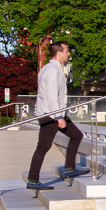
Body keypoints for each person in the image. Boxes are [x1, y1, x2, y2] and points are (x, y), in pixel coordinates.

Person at [27, 36, 84, 190]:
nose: (68, 54)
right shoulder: (52, 70)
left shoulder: (50, 68)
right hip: (49, 115)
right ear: (59, 53)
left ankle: (70, 168)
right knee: (43, 147)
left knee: (77, 135)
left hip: (53, 113)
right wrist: (58, 117)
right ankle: (32, 180)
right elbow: (52, 95)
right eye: (67, 51)